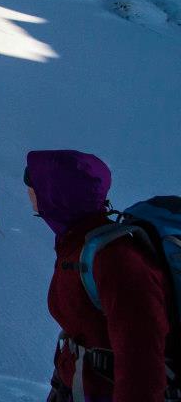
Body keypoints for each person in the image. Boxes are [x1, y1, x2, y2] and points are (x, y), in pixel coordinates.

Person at [24, 150, 171, 402]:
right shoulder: (75, 242)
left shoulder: (114, 259)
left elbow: (143, 361)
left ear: (56, 193)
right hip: (76, 384)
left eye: (34, 186)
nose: (29, 193)